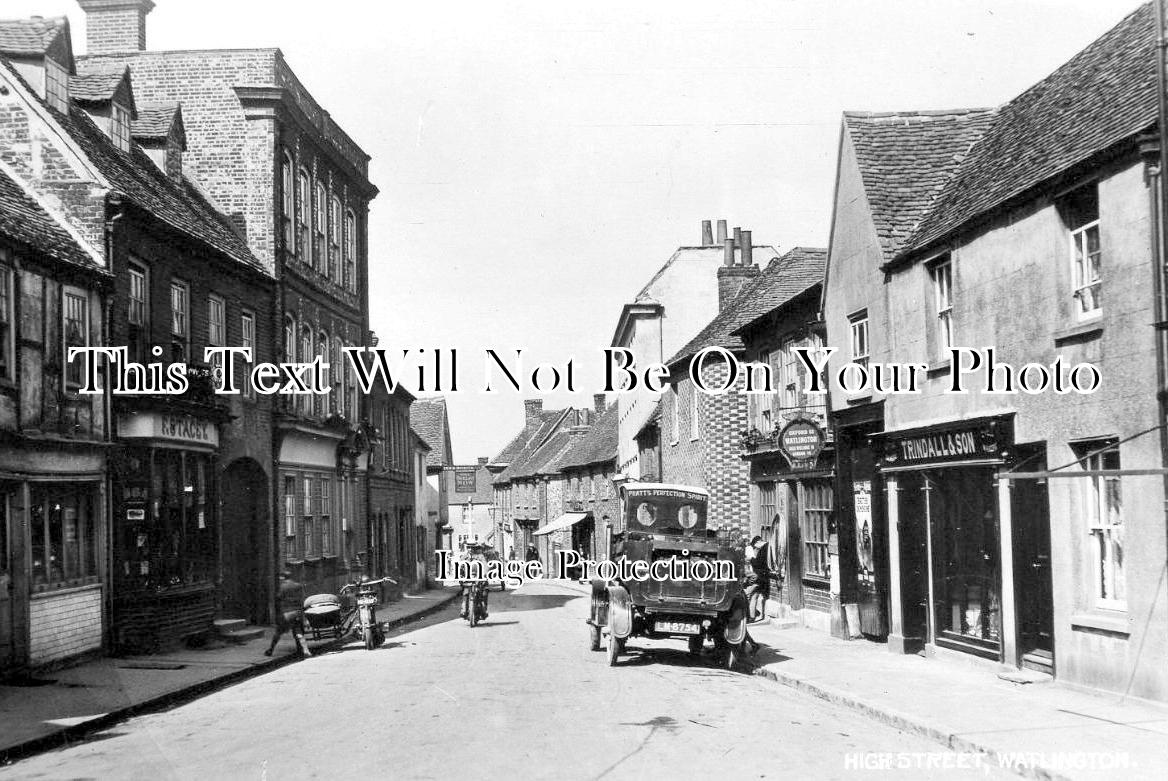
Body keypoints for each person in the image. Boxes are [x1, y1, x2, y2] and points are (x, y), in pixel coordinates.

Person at [264, 570, 311, 658]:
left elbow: (279, 597)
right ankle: (305, 650)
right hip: (297, 612)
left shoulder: (283, 587)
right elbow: (302, 600)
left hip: (287, 613)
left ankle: (271, 650)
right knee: (298, 632)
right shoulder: (298, 586)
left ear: (283, 578)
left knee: (278, 632)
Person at [745, 535, 770, 623]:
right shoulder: (765, 548)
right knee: (754, 596)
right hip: (761, 576)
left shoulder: (763, 549)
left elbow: (758, 563)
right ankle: (751, 616)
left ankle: (748, 616)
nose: (755, 549)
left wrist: (751, 559)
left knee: (748, 595)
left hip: (759, 576)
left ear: (758, 543)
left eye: (755, 547)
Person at [460, 543, 490, 619]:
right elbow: (460, 566)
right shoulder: (464, 557)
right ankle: (464, 610)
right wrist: (460, 575)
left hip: (479, 578)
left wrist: (484, 574)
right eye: (468, 547)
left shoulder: (480, 556)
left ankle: (484, 610)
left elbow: (485, 566)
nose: (470, 549)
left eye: (472, 547)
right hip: (468, 579)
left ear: (475, 548)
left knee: (484, 593)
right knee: (465, 593)